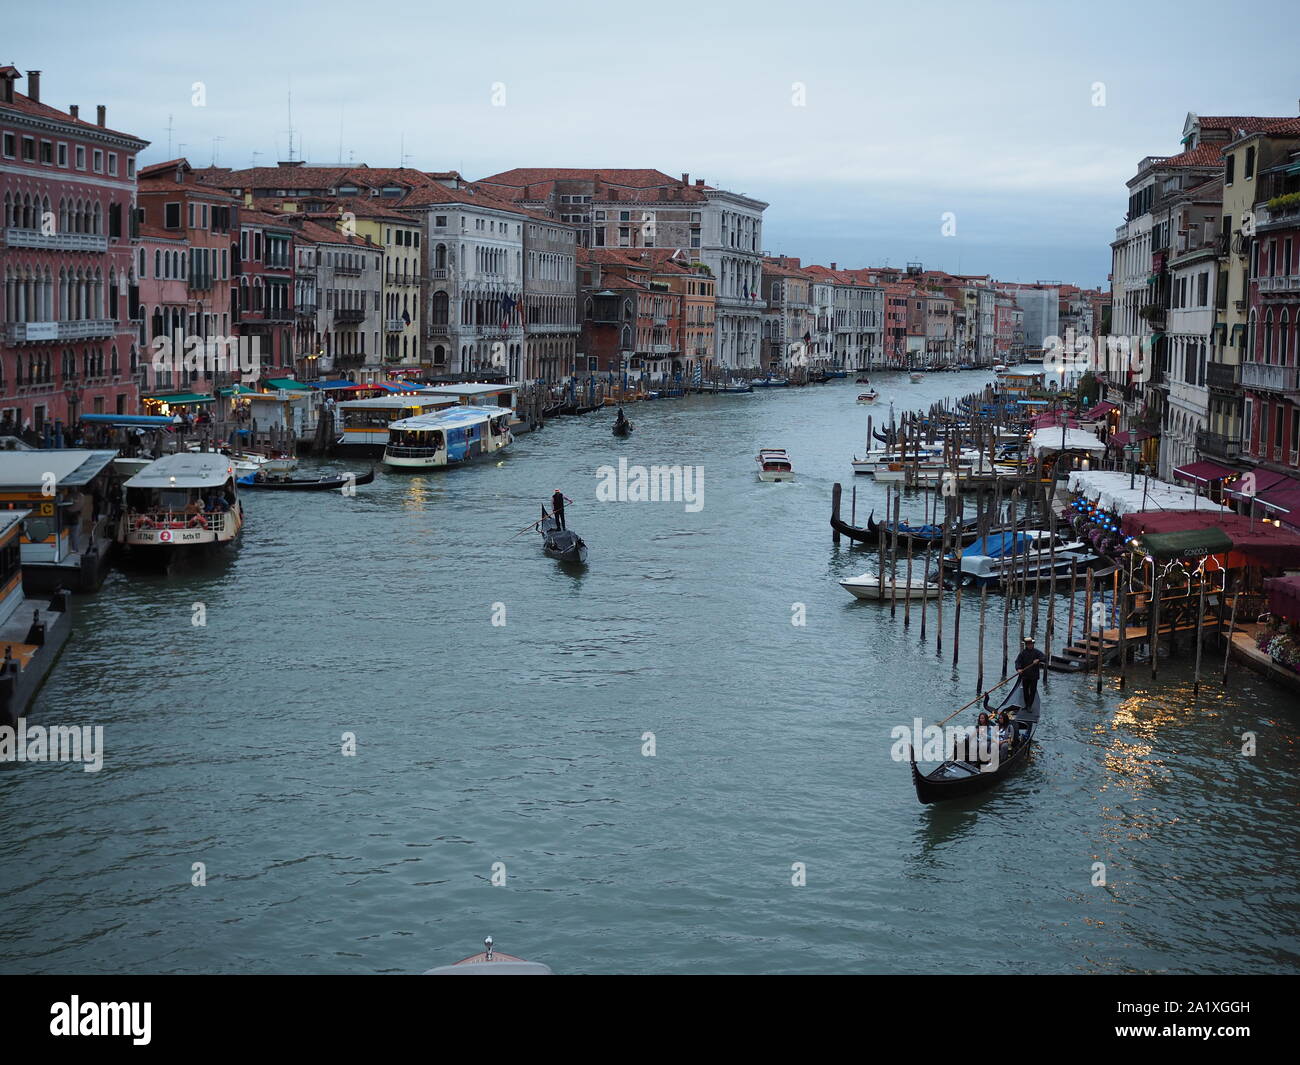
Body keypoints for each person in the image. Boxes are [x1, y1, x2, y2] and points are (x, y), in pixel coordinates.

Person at [1015, 635, 1048, 708]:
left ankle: (1030, 705)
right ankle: (1026, 705)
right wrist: (1018, 669)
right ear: (1026, 645)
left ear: (1032, 644)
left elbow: (1044, 658)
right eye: (1028, 644)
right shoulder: (1022, 653)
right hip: (1025, 675)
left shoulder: (1037, 652)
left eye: (1031, 644)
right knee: (1025, 691)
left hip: (1034, 676)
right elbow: (1017, 662)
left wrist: (1038, 660)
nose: (1030, 645)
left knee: (1033, 691)